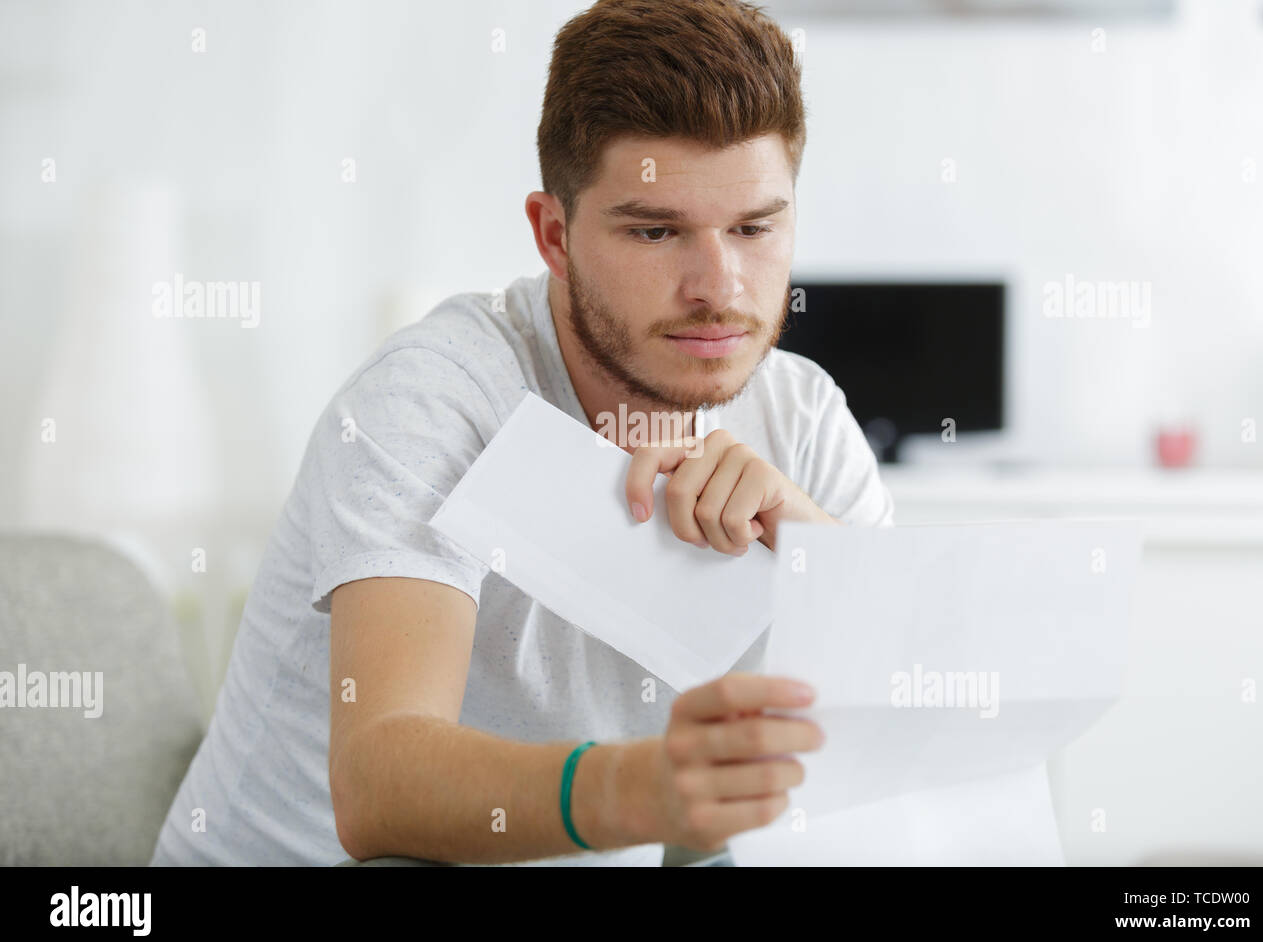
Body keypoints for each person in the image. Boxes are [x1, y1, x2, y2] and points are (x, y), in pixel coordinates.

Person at [151, 0, 894, 867]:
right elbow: (378, 783)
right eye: (655, 230)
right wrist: (646, 793)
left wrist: (817, 553)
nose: (718, 286)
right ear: (555, 235)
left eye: (755, 228)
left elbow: (920, 742)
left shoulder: (803, 418)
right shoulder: (433, 399)